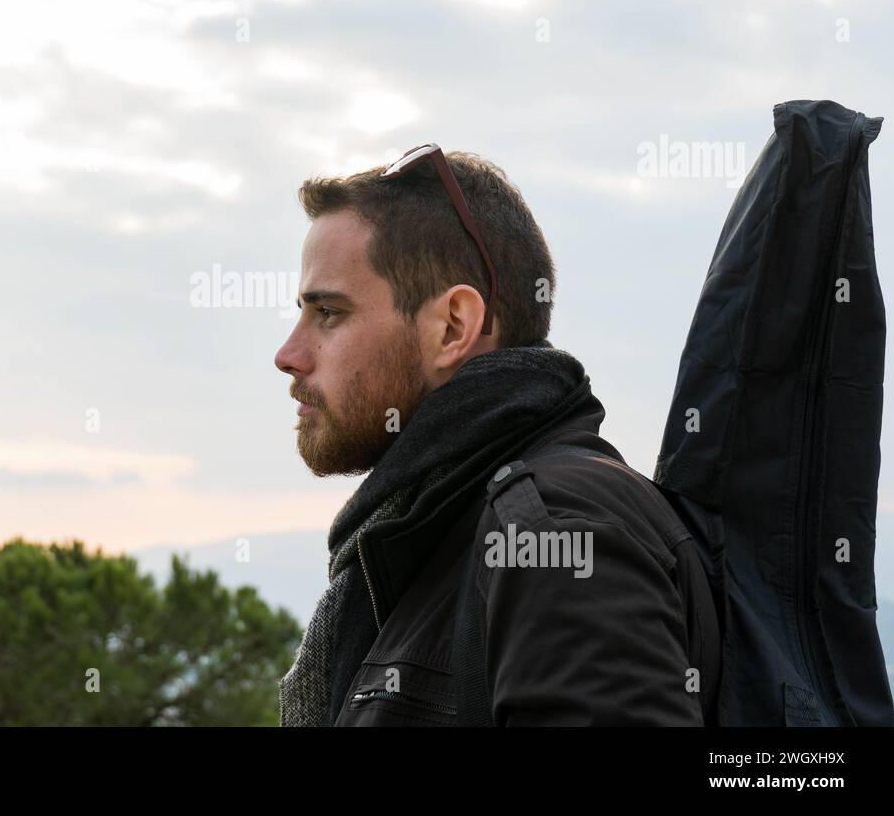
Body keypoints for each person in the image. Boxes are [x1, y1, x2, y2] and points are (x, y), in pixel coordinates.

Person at [273, 144, 720, 726]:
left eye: (327, 313)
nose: (288, 355)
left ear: (454, 326)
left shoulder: (551, 529)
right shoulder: (433, 532)